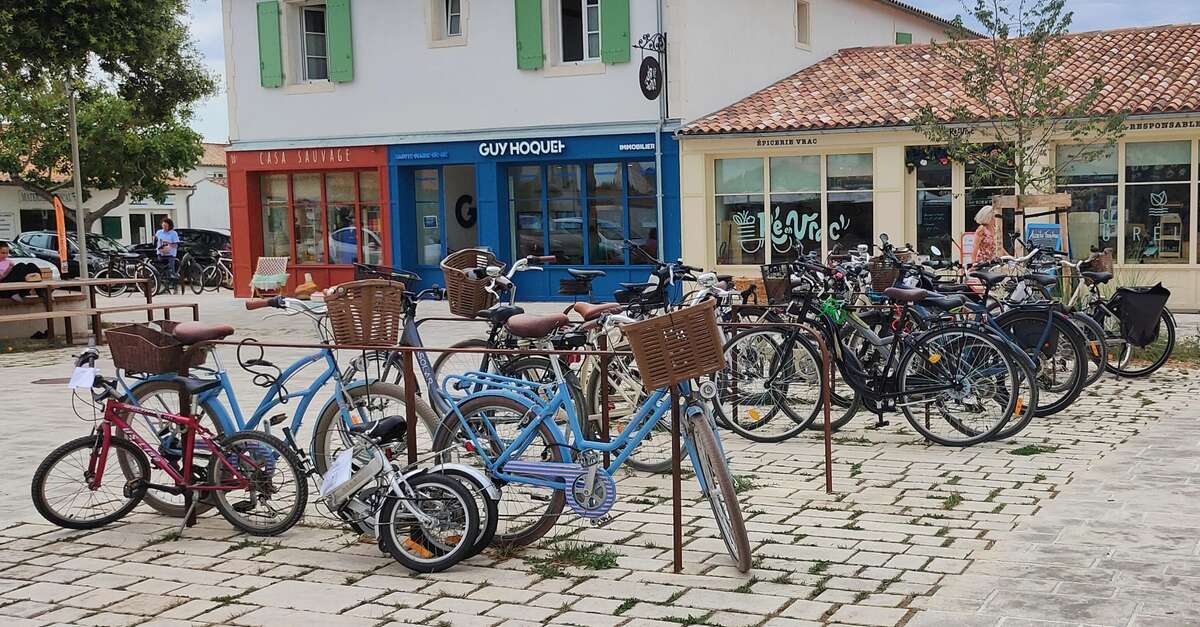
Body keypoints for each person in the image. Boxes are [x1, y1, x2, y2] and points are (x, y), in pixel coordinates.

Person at [154, 218, 181, 290]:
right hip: (161, 253)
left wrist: (168, 243)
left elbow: (176, 245)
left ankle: (173, 286)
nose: (164, 227)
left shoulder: (173, 233)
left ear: (170, 226)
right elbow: (156, 241)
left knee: (171, 270)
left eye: (166, 226)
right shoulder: (159, 232)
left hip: (170, 255)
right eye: (163, 225)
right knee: (160, 271)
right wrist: (158, 247)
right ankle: (162, 285)